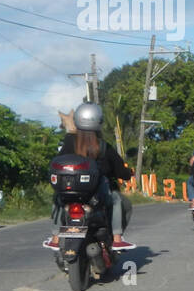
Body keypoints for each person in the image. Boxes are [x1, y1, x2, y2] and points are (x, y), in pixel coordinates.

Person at [54, 102, 134, 251]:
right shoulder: (103, 145)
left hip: (73, 193)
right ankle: (117, 238)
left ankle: (55, 237)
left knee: (59, 198)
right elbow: (120, 171)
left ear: (77, 119)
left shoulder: (69, 141)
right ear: (99, 121)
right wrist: (129, 173)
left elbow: (59, 161)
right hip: (96, 196)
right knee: (117, 200)